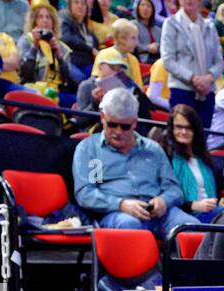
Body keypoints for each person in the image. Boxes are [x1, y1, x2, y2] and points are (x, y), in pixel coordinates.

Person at [72, 88, 194, 237]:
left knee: (191, 228)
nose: (118, 131)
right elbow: (87, 193)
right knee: (130, 226)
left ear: (135, 123)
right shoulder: (93, 150)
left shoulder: (153, 149)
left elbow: (174, 189)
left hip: (160, 214)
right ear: (103, 118)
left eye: (125, 126)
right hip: (117, 214)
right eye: (112, 124)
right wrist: (121, 204)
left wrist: (164, 200)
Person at [160, 0, 223, 127]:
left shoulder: (210, 26)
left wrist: (208, 78)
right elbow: (168, 60)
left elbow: (219, 62)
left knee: (202, 138)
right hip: (182, 90)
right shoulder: (171, 23)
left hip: (207, 91)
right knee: (180, 137)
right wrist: (193, 78)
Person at [154, 103, 219, 223]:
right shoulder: (166, 156)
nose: (184, 132)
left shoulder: (204, 157)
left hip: (212, 210)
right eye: (179, 127)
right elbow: (164, 194)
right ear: (171, 128)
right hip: (186, 215)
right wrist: (192, 205)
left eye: (189, 127)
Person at [17, 0, 74, 98]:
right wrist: (34, 47)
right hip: (33, 90)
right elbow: (25, 76)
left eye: (48, 17)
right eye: (40, 17)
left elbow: (67, 81)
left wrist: (59, 57)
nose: (45, 20)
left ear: (53, 22)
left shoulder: (63, 48)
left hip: (57, 92)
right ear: (34, 21)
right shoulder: (26, 41)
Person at [60, 0, 99, 83]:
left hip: (86, 63)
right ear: (70, 5)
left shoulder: (85, 27)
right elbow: (68, 38)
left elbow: (96, 44)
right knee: (81, 78)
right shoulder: (64, 18)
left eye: (83, 4)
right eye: (76, 2)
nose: (80, 6)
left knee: (100, 77)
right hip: (71, 61)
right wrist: (90, 49)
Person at [134, 0, 162, 66]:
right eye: (143, 5)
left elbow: (164, 45)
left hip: (159, 57)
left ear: (152, 11)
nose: (145, 8)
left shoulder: (158, 29)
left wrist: (157, 46)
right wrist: (148, 48)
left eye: (149, 6)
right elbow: (133, 44)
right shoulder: (133, 25)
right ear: (138, 8)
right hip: (143, 58)